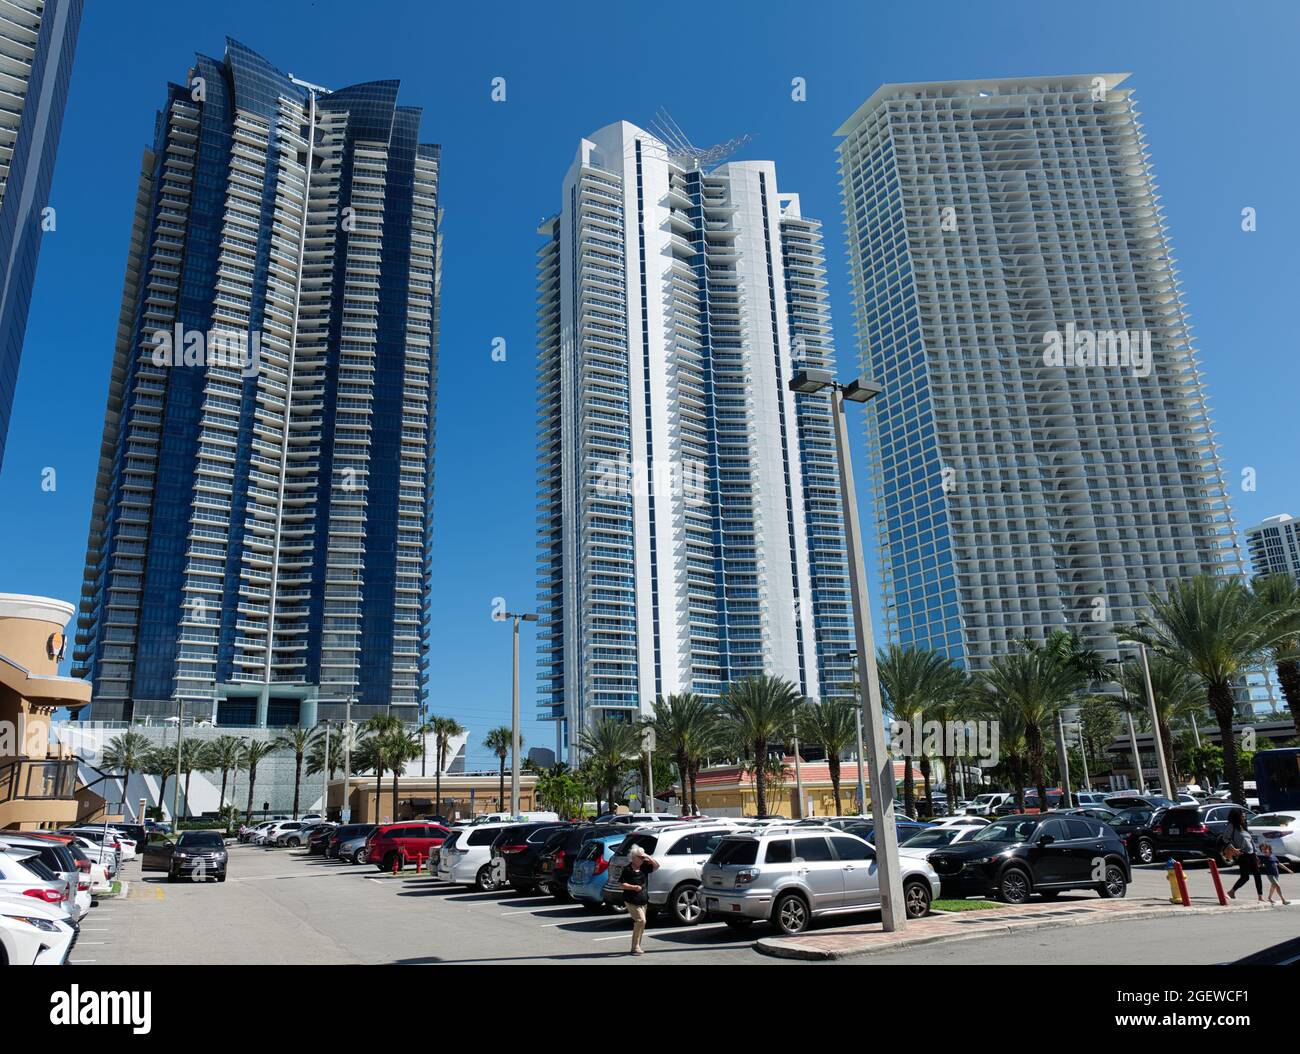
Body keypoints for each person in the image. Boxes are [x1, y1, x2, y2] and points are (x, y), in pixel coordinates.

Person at [619, 844, 658, 955]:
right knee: (641, 921)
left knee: (641, 924)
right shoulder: (627, 869)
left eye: (642, 857)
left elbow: (656, 866)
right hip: (631, 900)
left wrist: (648, 856)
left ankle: (636, 947)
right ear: (633, 858)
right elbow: (621, 885)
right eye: (640, 857)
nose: (642, 859)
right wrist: (633, 887)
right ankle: (635, 947)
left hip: (643, 900)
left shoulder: (644, 867)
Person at [1226, 809, 1262, 901]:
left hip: (1251, 852)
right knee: (1245, 877)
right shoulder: (1232, 826)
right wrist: (1233, 849)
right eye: (1242, 816)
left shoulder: (1243, 826)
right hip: (1242, 853)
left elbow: (1250, 840)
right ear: (1237, 817)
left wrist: (1256, 854)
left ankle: (1260, 896)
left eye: (1244, 816)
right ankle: (1231, 891)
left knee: (1257, 874)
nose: (1244, 817)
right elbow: (1225, 839)